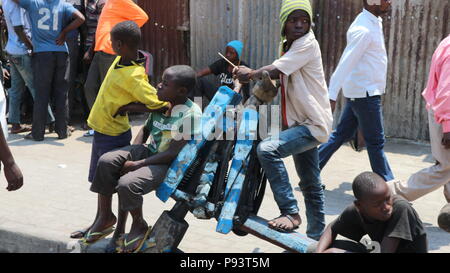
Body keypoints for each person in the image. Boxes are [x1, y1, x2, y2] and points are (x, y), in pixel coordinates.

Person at [234, 0, 333, 240]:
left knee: (267, 149)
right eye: (293, 20)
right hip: (301, 122)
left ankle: (290, 212)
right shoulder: (288, 45)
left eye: (304, 20)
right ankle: (317, 236)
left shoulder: (307, 43)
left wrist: (251, 73)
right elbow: (281, 76)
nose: (300, 25)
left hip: (312, 124)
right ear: (283, 23)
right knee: (310, 182)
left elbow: (276, 70)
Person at [83, 65, 201, 253]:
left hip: (167, 164)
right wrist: (133, 152)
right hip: (149, 152)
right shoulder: (162, 103)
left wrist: (138, 164)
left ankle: (138, 224)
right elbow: (145, 130)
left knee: (127, 184)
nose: (159, 86)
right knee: (107, 161)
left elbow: (173, 153)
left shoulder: (190, 114)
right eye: (161, 81)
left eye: (165, 83)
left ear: (181, 91)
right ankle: (105, 217)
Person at [70, 20, 168, 240]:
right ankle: (101, 219)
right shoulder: (120, 60)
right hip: (102, 129)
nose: (109, 43)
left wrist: (129, 107)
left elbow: (158, 103)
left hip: (113, 133)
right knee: (100, 181)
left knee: (111, 180)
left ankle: (110, 222)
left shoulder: (133, 74)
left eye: (112, 41)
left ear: (121, 44)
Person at [318, 0, 394, 182]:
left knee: (341, 134)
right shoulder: (364, 29)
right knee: (376, 142)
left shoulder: (372, 21)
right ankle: (389, 187)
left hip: (360, 92)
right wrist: (332, 93)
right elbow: (346, 62)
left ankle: (310, 170)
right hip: (365, 94)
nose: (389, 2)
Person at [387, 35, 450, 233]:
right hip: (445, 114)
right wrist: (448, 126)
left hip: (442, 112)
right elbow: (447, 92)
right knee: (445, 167)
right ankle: (389, 193)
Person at [13, 0, 85, 141]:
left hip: (42, 54)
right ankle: (62, 131)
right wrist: (64, 32)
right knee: (61, 93)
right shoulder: (63, 5)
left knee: (41, 94)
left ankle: (38, 133)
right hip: (61, 53)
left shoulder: (33, 3)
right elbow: (81, 18)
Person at [316, 172, 428, 253]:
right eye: (377, 204)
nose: (386, 207)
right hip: (378, 249)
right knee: (321, 246)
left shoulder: (401, 208)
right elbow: (332, 228)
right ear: (360, 205)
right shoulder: (357, 210)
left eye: (388, 198)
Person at [83, 0, 148, 137]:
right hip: (100, 51)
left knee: (108, 92)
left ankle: (107, 126)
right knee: (90, 87)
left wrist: (124, 38)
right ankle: (100, 123)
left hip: (111, 52)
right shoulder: (108, 2)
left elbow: (142, 17)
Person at [2, 0, 55, 134]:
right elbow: (19, 28)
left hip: (13, 50)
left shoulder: (7, 3)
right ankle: (51, 121)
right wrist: (32, 47)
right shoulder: (15, 5)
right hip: (22, 51)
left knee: (15, 89)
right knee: (36, 88)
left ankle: (15, 124)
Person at [193, 40, 250, 108]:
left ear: (238, 54)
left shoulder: (243, 68)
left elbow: (245, 93)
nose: (228, 55)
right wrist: (189, 78)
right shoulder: (222, 63)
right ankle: (197, 109)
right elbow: (201, 73)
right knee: (199, 81)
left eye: (231, 53)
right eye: (226, 52)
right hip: (221, 96)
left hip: (234, 100)